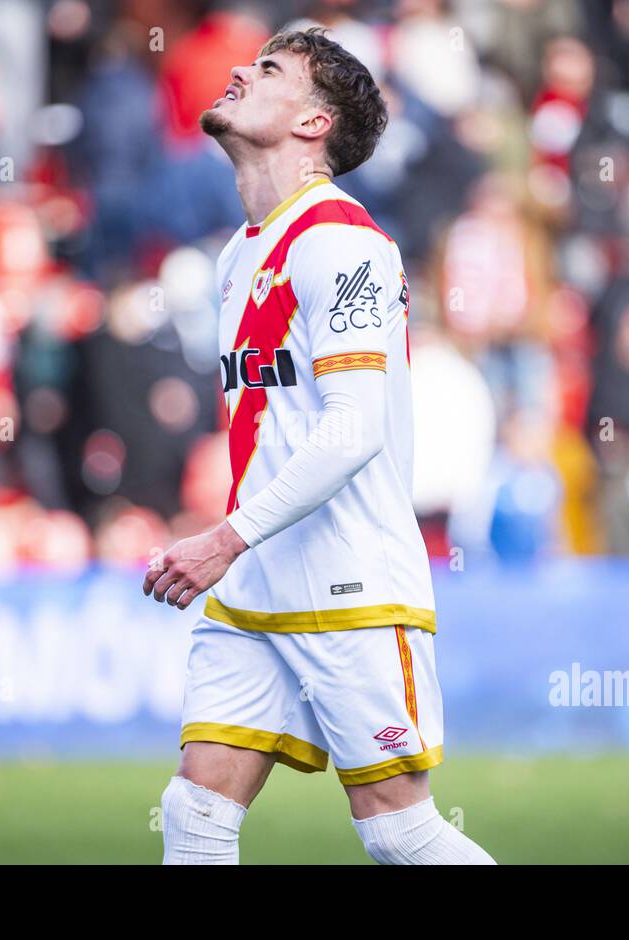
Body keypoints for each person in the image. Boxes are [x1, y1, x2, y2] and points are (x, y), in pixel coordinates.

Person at [140, 27, 494, 865]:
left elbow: (353, 427)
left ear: (312, 123)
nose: (236, 70)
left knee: (400, 833)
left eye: (267, 70)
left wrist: (224, 536)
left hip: (350, 580)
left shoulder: (345, 243)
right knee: (193, 815)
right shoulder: (239, 253)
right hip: (257, 580)